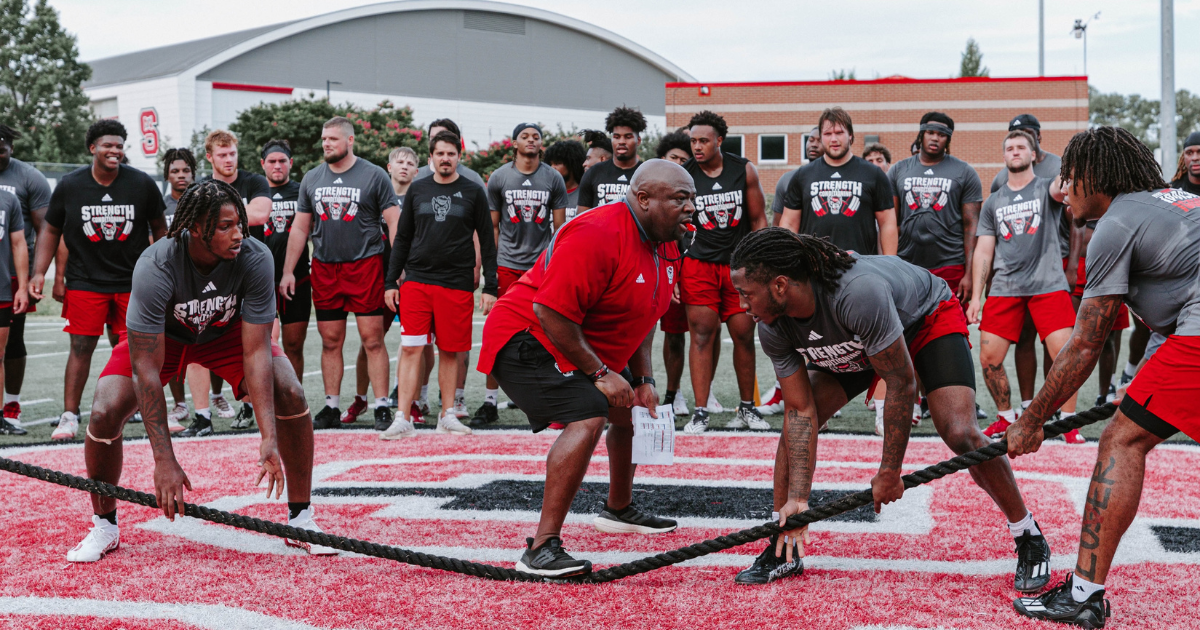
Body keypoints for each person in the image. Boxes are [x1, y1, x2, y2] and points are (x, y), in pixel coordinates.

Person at [729, 228, 1051, 592]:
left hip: (922, 319)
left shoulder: (856, 292)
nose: (742, 306)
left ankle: (1028, 534)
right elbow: (800, 412)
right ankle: (783, 544)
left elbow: (901, 381)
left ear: (780, 285)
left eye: (746, 294)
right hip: (858, 341)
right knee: (798, 424)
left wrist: (889, 471)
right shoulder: (772, 325)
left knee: (960, 431)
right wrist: (797, 500)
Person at [63, 180, 335, 562]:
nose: (239, 233)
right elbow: (145, 370)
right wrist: (165, 460)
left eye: (240, 222)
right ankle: (105, 526)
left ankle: (301, 519)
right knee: (105, 410)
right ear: (195, 229)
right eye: (225, 226)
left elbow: (256, 351)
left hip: (225, 336)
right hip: (167, 339)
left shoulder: (255, 257)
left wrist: (268, 435)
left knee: (289, 391)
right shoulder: (156, 265)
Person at [1007, 127, 1200, 627]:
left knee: (1121, 441)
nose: (1063, 187)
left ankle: (1084, 594)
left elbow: (1086, 344)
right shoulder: (1171, 200)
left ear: (1098, 177)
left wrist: (1031, 419)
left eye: (1071, 178)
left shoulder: (1114, 225)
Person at [477, 160, 689, 577]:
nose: (691, 208)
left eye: (692, 199)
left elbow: (645, 316)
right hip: (526, 334)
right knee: (589, 412)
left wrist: (642, 379)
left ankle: (619, 508)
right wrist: (599, 373)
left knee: (628, 408)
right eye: (681, 199)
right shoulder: (598, 231)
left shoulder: (667, 241)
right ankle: (540, 548)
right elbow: (550, 311)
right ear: (643, 199)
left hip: (575, 338)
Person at [31, 120, 168, 441]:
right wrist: (40, 272)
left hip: (133, 281)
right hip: (85, 280)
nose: (115, 151)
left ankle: (134, 407)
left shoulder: (141, 183)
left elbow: (160, 228)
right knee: (80, 346)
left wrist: (163, 268)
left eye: (120, 145)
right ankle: (69, 415)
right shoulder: (70, 184)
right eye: (108, 145)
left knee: (136, 349)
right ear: (92, 148)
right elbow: (51, 229)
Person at [281, 117, 399, 432]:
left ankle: (382, 406)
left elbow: (395, 223)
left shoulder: (374, 175)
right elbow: (300, 228)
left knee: (372, 339)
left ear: (349, 141)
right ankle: (332, 405)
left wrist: (398, 268)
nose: (326, 144)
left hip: (365, 265)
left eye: (333, 139)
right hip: (325, 267)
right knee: (330, 340)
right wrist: (288, 271)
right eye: (324, 139)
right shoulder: (312, 178)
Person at [966, 130, 1082, 443]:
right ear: (1004, 157)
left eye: (1021, 147)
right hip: (1006, 287)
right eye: (1010, 148)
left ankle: (1067, 421)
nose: (1015, 152)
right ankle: (1005, 416)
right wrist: (976, 296)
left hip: (1047, 283)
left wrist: (1075, 152)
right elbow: (984, 249)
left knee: (1066, 354)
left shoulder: (1048, 188)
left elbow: (1065, 184)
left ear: (1033, 155)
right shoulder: (994, 202)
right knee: (989, 359)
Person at [382, 130, 497, 438]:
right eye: (440, 153)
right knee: (411, 348)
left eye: (451, 153)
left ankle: (447, 414)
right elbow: (402, 239)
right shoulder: (418, 190)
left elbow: (487, 241)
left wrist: (490, 287)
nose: (446, 158)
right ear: (430, 158)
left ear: (459, 156)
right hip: (417, 281)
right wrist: (391, 280)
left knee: (450, 350)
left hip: (457, 283)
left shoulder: (473, 192)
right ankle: (403, 416)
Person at [468, 124, 568, 428]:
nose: (531, 140)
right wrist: (491, 273)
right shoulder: (499, 177)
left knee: (549, 330)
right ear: (515, 143)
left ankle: (551, 401)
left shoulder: (553, 177)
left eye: (536, 136)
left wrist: (555, 266)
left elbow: (559, 231)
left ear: (541, 144)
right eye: (525, 136)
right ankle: (489, 402)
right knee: (498, 333)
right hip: (509, 265)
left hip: (541, 266)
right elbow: (492, 229)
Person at [679, 111, 769, 433]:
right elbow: (674, 225)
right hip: (698, 263)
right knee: (702, 335)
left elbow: (758, 219)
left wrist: (759, 263)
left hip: (738, 265)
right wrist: (675, 267)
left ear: (719, 140)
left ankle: (746, 408)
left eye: (703, 140)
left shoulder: (742, 169)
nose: (697, 147)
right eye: (693, 141)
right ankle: (700, 411)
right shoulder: (683, 174)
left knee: (744, 334)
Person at [198, 130, 272, 432]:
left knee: (259, 342)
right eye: (222, 154)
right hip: (212, 276)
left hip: (250, 272)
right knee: (197, 342)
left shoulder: (254, 181)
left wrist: (219, 219)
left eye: (232, 154)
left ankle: (250, 406)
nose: (229, 160)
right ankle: (201, 414)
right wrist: (238, 215)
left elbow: (261, 214)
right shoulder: (202, 187)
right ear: (210, 157)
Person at [343, 146, 418, 426]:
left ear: (417, 170)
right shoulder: (373, 191)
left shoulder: (421, 195)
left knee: (418, 342)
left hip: (413, 276)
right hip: (378, 274)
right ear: (388, 167)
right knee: (371, 340)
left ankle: (416, 399)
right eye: (399, 161)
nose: (404, 166)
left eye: (410, 162)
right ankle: (361, 398)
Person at [414, 118, 483, 419]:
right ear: (430, 149)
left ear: (458, 147)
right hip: (421, 274)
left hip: (456, 272)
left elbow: (479, 230)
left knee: (454, 341)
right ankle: (420, 396)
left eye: (449, 145)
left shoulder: (472, 181)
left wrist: (477, 266)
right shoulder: (418, 180)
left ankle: (456, 397)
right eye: (435, 142)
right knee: (418, 342)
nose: (443, 152)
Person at [888, 112, 983, 311]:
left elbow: (971, 227)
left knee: (953, 331)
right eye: (930, 132)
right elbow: (890, 222)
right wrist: (890, 264)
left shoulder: (964, 172)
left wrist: (969, 273)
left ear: (947, 138)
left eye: (941, 134)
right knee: (909, 330)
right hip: (908, 264)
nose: (935, 138)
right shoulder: (898, 170)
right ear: (921, 135)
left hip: (951, 264)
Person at [780, 108, 897, 256]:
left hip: (861, 268)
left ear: (850, 136)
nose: (834, 139)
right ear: (821, 137)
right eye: (828, 134)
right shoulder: (803, 176)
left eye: (839, 133)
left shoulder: (873, 174)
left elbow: (887, 224)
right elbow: (789, 224)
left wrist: (891, 264)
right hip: (815, 268)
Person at [0, 124, 51, 431]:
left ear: (12, 148)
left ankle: (12, 404)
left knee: (13, 340)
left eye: (2, 148)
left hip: (14, 273)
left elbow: (46, 228)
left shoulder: (29, 177)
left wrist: (36, 274)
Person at [258, 140, 309, 388]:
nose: (277, 166)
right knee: (261, 346)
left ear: (291, 163)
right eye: (272, 161)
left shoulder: (302, 192)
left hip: (296, 278)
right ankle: (255, 402)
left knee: (293, 345)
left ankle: (293, 398)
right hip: (260, 281)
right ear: (263, 164)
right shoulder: (255, 193)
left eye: (282, 161)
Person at [156, 148, 198, 430]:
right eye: (175, 171)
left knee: (208, 337)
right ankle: (180, 402)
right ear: (167, 174)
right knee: (172, 343)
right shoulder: (160, 206)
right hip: (171, 280)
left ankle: (216, 396)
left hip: (201, 280)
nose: (181, 175)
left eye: (185, 170)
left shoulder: (203, 200)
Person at [654, 130, 694, 416]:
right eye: (673, 158)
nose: (678, 163)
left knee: (676, 333)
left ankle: (673, 391)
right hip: (645, 264)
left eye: (684, 159)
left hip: (676, 264)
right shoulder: (648, 186)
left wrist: (676, 274)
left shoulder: (689, 192)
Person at [576, 107, 645, 214]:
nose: (621, 141)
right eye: (617, 137)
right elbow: (581, 220)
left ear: (638, 140)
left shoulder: (647, 174)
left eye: (628, 137)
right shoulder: (593, 173)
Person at [544, 138, 586, 222]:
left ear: (571, 164)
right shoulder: (545, 193)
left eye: (557, 163)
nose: (552, 168)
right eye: (550, 164)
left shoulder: (584, 194)